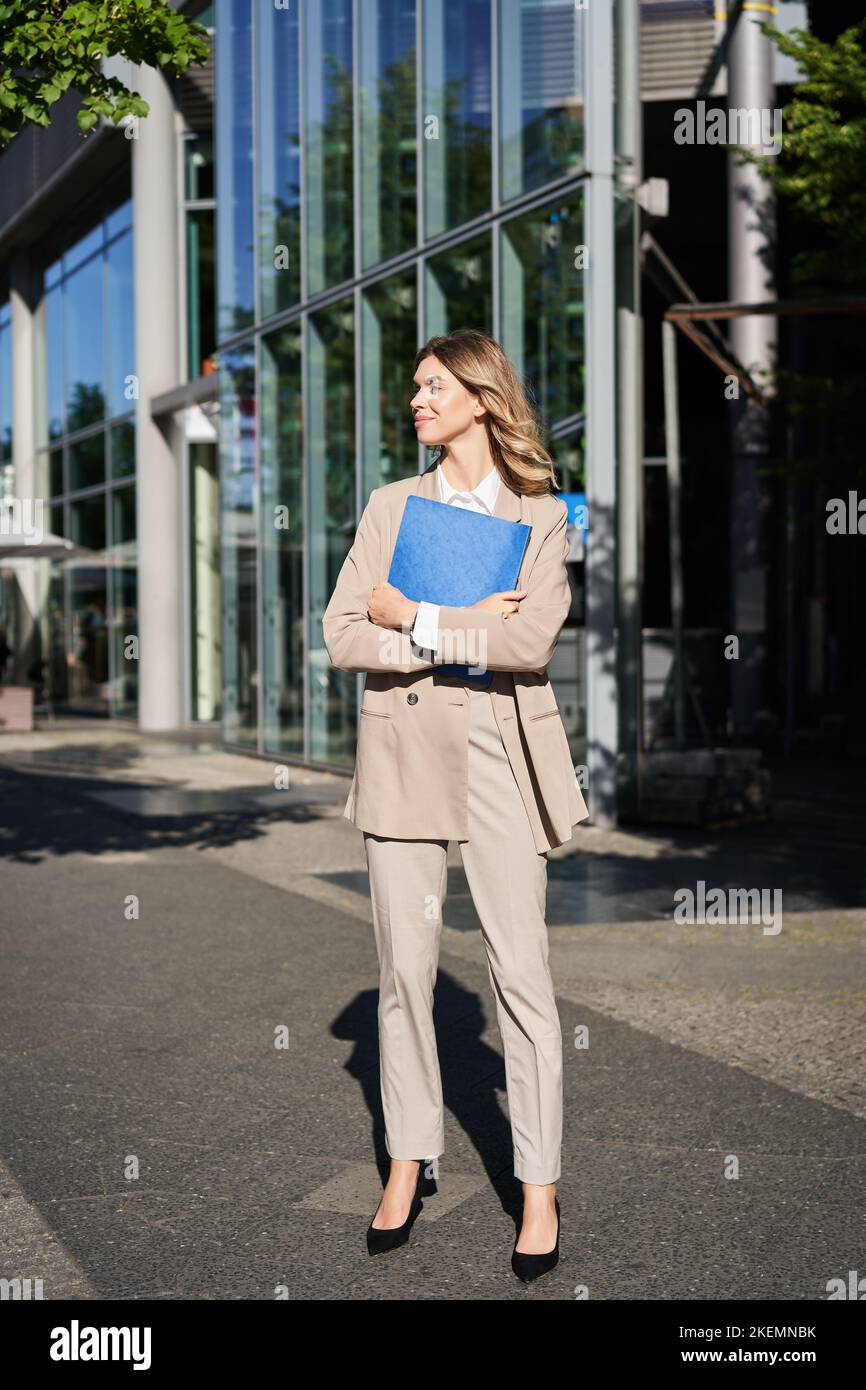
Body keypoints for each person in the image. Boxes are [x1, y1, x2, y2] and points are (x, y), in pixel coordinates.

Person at [322, 328, 589, 1282]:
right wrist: (461, 629)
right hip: (403, 758)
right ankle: (407, 1161)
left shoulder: (544, 514)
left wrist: (420, 616)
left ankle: (541, 1185)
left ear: (480, 396)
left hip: (503, 760)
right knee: (403, 976)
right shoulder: (391, 507)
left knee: (522, 976)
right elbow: (344, 630)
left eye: (433, 386)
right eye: (415, 388)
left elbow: (531, 643)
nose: (416, 401)